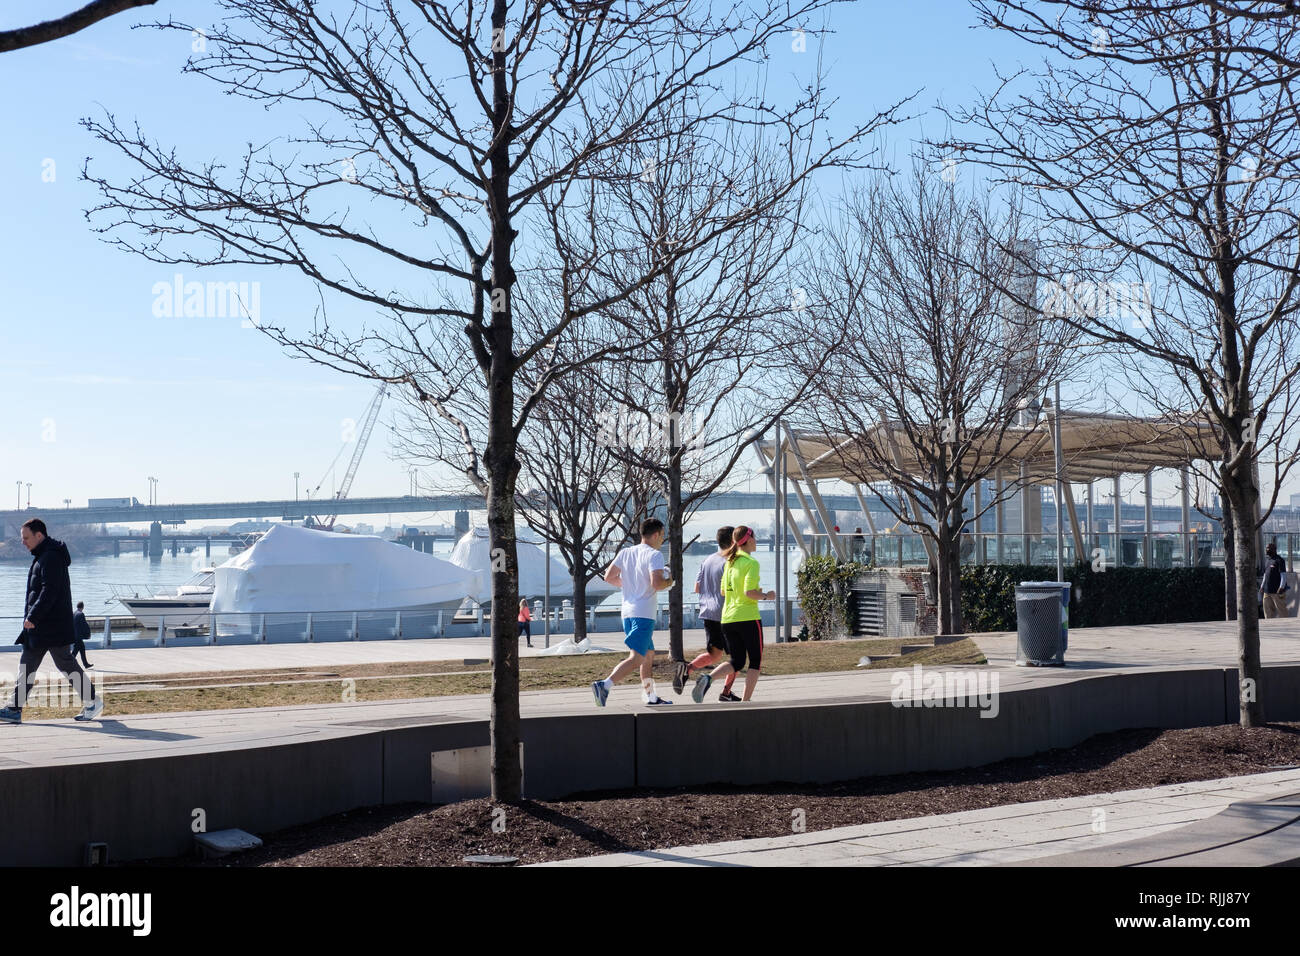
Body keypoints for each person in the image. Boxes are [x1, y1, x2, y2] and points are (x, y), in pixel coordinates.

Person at [0, 519, 102, 724]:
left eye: (26, 538)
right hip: (43, 625)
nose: (23, 542)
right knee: (28, 664)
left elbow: (50, 591)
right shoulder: (43, 556)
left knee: (63, 663)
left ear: (39, 536)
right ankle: (14, 709)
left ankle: (92, 700)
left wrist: (33, 616)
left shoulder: (51, 557)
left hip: (50, 625)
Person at [592, 518, 675, 707]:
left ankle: (650, 696)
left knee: (648, 654)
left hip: (628, 611)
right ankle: (604, 685)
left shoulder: (626, 552)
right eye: (662, 536)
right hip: (643, 613)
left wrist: (630, 586)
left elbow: (609, 577)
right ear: (655, 535)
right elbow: (657, 584)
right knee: (637, 657)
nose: (663, 539)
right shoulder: (655, 555)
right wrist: (670, 580)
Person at [693, 525, 774, 703]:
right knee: (755, 661)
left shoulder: (729, 561)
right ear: (748, 540)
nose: (757, 541)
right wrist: (767, 595)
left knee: (736, 661)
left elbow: (723, 591)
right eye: (755, 537)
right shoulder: (751, 563)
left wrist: (746, 591)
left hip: (728, 619)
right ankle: (746, 702)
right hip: (748, 617)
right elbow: (749, 593)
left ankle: (709, 678)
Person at [681, 526, 741, 700]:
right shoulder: (731, 562)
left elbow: (697, 587)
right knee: (737, 658)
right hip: (727, 615)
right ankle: (726, 693)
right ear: (733, 541)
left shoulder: (707, 560)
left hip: (708, 613)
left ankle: (688, 668)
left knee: (714, 654)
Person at [1261, 541, 1289, 619]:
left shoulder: (1279, 560)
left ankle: (1287, 626)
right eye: (1266, 548)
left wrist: (1281, 587)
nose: (1267, 549)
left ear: (1274, 549)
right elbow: (1265, 575)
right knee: (1267, 612)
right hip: (1267, 592)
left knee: (1282, 611)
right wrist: (1262, 586)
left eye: (1268, 548)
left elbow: (1283, 575)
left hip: (1277, 591)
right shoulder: (1267, 560)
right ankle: (1269, 627)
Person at [72, 601, 94, 669]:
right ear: (83, 607)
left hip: (74, 635)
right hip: (78, 636)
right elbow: (84, 625)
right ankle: (68, 664)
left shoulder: (74, 613)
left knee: (82, 649)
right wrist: (88, 634)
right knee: (75, 651)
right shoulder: (81, 614)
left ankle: (86, 664)